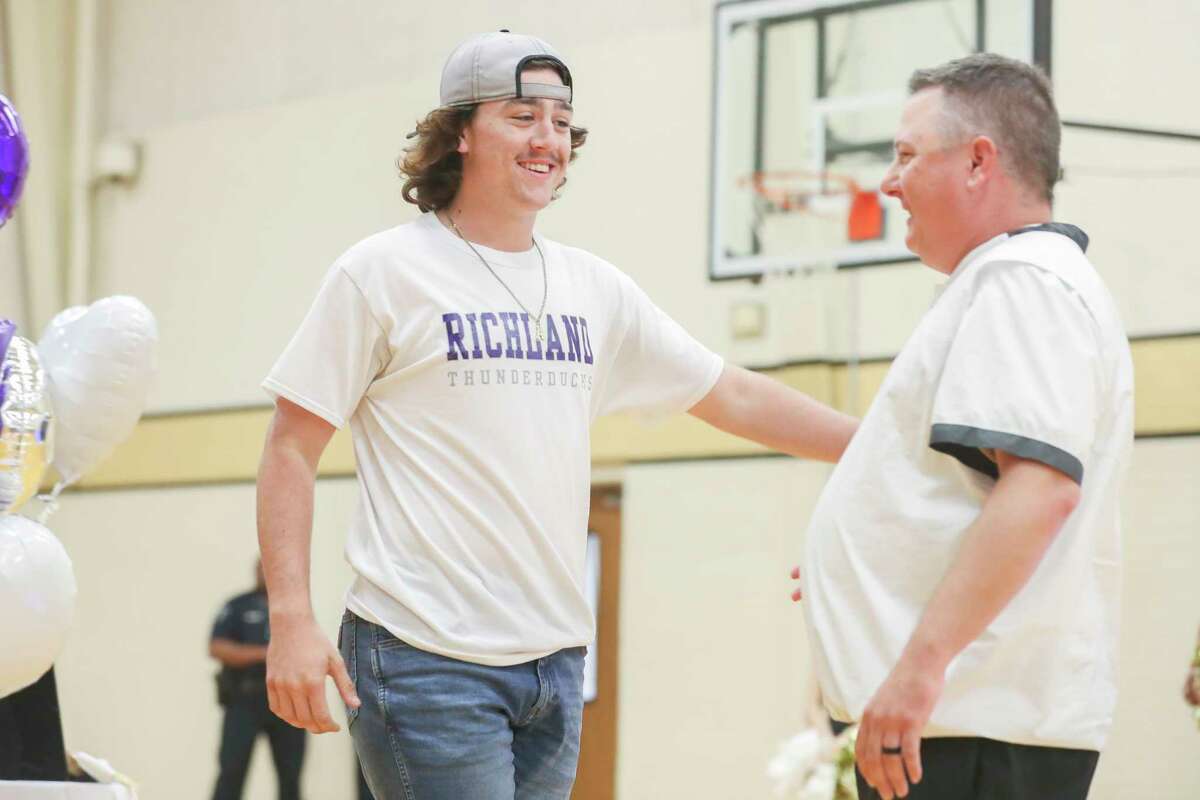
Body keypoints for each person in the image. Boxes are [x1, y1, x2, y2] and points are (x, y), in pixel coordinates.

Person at [257, 30, 858, 800]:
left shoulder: (594, 288)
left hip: (557, 662)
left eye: (560, 119)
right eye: (522, 116)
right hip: (424, 655)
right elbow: (290, 449)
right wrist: (291, 620)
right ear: (461, 132)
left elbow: (732, 393)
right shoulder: (381, 273)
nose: (549, 138)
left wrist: (875, 448)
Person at [796, 53, 1134, 800]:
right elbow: (975, 490)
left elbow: (1040, 490)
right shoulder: (1009, 280)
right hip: (963, 729)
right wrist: (868, 557)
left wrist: (919, 668)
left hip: (969, 733)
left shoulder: (1023, 282)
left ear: (979, 161)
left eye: (908, 156)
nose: (889, 182)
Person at [209, 560, 305, 800]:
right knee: (231, 771)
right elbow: (217, 647)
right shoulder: (237, 606)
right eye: (262, 567)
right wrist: (265, 653)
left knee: (290, 777)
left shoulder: (297, 609)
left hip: (288, 702)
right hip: (244, 700)